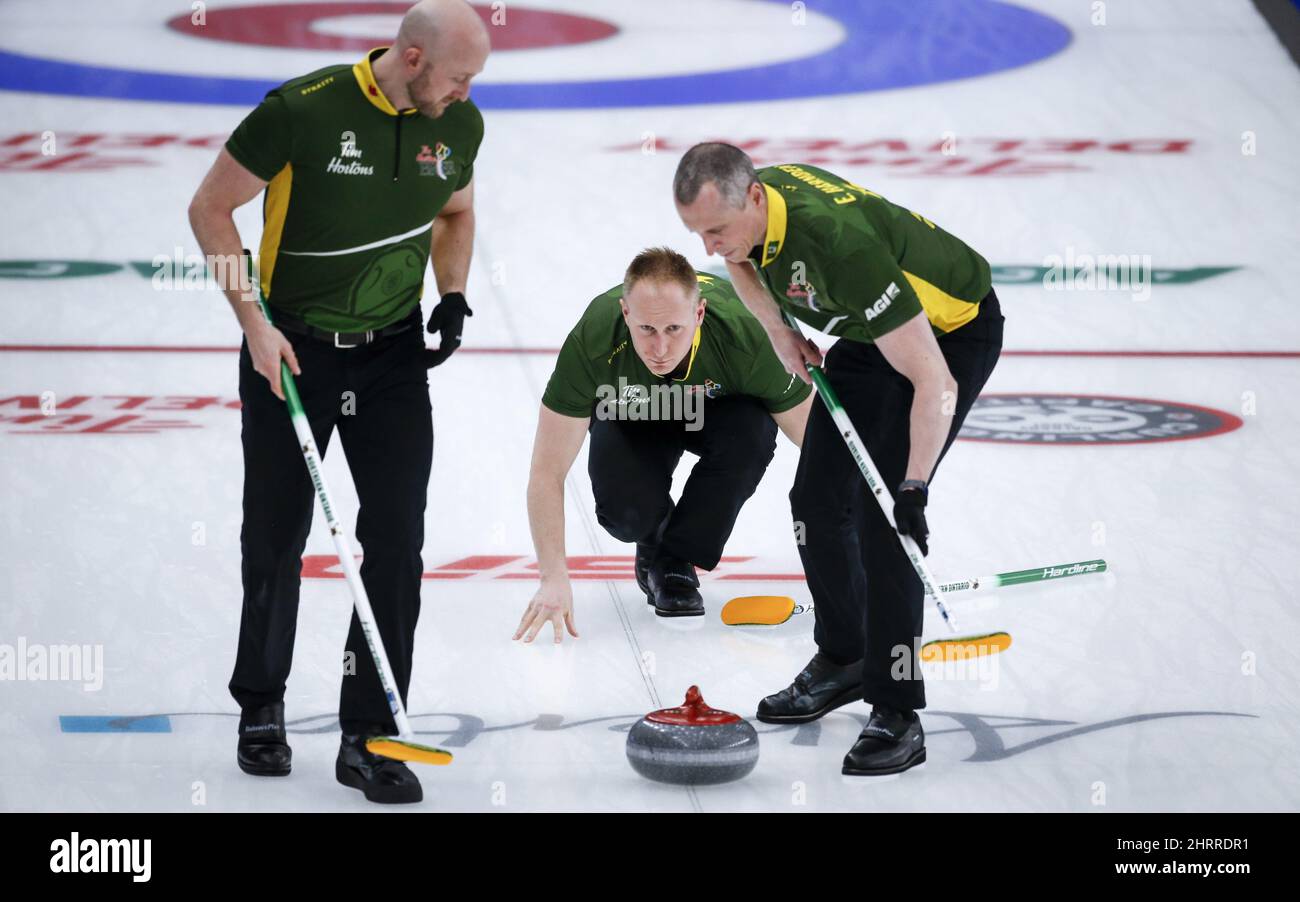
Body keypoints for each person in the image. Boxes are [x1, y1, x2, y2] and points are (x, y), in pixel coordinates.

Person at [187, 0, 489, 804]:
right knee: (276, 537)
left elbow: (456, 211)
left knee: (396, 544)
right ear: (415, 60)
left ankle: (369, 734)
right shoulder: (303, 111)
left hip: (391, 360)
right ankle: (261, 705)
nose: (469, 93)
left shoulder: (459, 126)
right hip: (289, 351)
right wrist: (252, 323)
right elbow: (209, 209)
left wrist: (451, 295)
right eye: (460, 77)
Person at [674, 143, 1005, 776]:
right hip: (866, 332)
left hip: (947, 335)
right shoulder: (746, 220)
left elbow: (933, 380)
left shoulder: (841, 248)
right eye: (698, 234)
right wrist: (782, 333)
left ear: (754, 197)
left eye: (716, 230)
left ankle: (897, 711)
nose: (711, 249)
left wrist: (912, 488)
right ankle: (847, 653)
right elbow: (744, 263)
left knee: (884, 522)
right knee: (816, 503)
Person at [513, 247, 813, 641]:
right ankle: (653, 536)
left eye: (674, 329)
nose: (659, 349)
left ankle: (674, 557)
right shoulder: (593, 340)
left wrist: (861, 544)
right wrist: (553, 579)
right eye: (646, 330)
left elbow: (821, 449)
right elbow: (547, 472)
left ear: (699, 314)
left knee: (752, 434)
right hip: (632, 411)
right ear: (625, 315)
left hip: (716, 410)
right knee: (625, 515)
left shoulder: (749, 336)